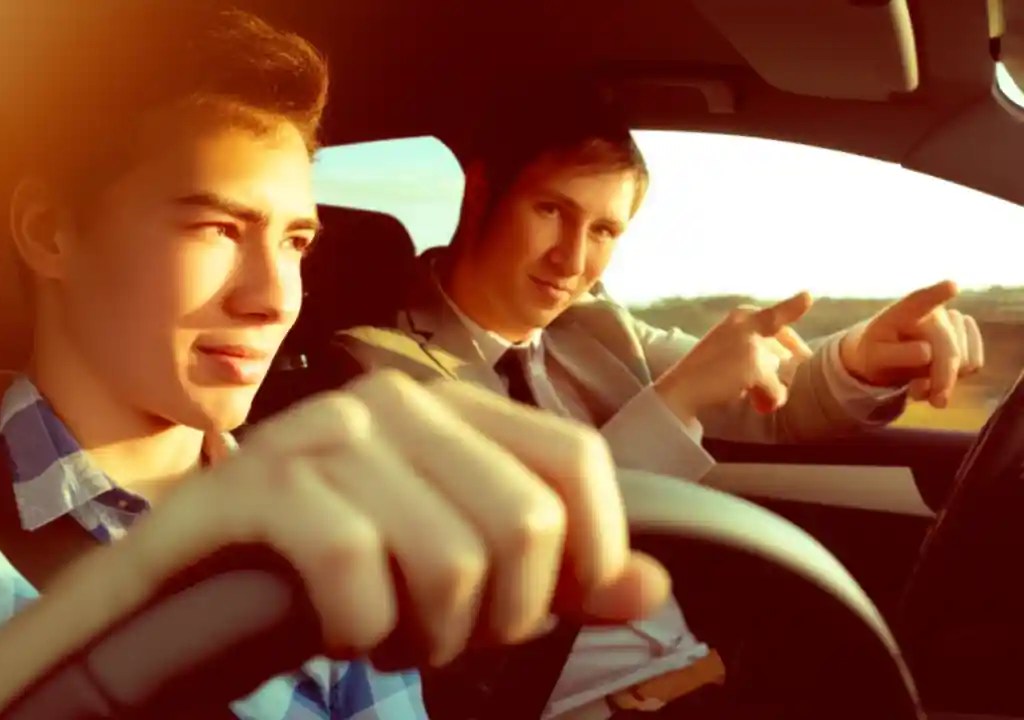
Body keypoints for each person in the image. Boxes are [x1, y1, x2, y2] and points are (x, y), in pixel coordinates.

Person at [0, 11, 671, 720]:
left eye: (296, 241)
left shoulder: (326, 531)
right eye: (217, 228)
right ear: (51, 231)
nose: (275, 296)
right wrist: (134, 585)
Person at [325, 91, 985, 718]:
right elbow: (524, 561)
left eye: (604, 229)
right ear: (481, 191)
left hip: (694, 671)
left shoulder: (595, 328)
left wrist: (863, 357)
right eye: (551, 210)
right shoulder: (374, 369)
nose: (572, 259)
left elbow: (778, 401)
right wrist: (678, 398)